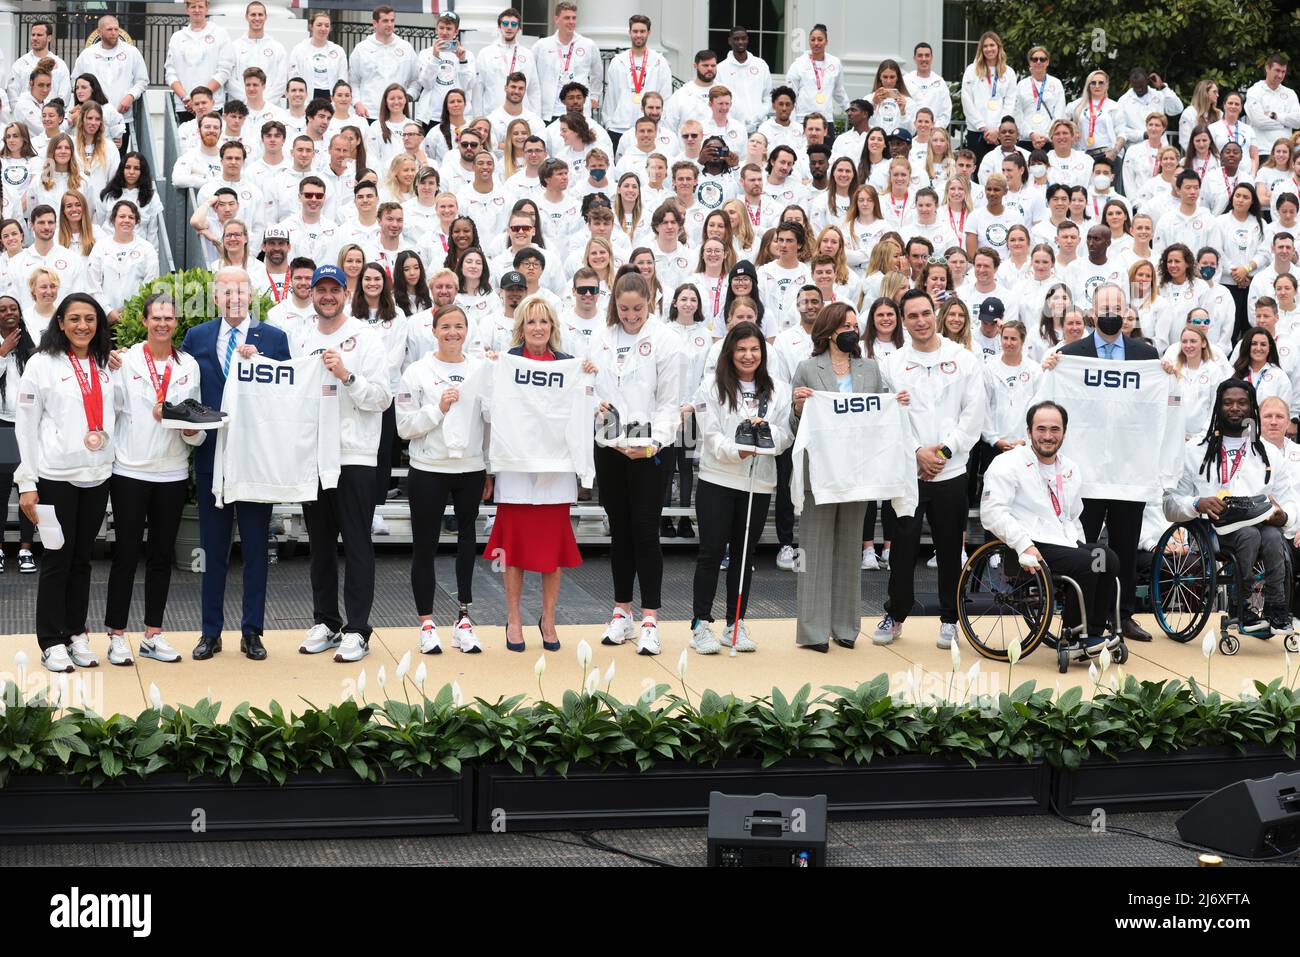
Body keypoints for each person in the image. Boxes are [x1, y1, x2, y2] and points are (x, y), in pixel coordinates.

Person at [181, 267, 290, 661]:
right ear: (215, 297)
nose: (234, 297)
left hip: (256, 460)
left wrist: (261, 362)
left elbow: (286, 396)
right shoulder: (197, 337)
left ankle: (252, 631)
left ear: (251, 295)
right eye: (226, 291)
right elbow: (187, 391)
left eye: (241, 290)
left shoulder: (274, 339)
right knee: (212, 550)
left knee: (257, 549)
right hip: (213, 459)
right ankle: (210, 632)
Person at [291, 264, 391, 663]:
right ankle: (327, 622)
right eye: (321, 289)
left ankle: (359, 629)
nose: (328, 295)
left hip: (355, 455)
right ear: (311, 294)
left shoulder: (366, 337)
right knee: (319, 544)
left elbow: (382, 398)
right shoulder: (301, 338)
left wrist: (346, 375)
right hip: (314, 455)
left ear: (345, 294)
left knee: (356, 541)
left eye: (334, 289)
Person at [876, 289, 986, 650]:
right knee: (902, 548)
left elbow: (973, 414)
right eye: (912, 316)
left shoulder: (964, 359)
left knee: (950, 546)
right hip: (907, 472)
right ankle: (896, 613)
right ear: (903, 322)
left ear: (935, 314)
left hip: (951, 472)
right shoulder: (891, 363)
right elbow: (888, 417)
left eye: (926, 313)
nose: (921, 321)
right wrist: (915, 453)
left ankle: (950, 619)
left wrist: (944, 452)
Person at [103, 293, 204, 666]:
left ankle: (153, 634)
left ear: (177, 323)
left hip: (173, 472)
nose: (162, 323)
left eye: (169, 318)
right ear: (144, 321)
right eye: (156, 317)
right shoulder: (125, 360)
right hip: (129, 470)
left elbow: (194, 419)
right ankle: (115, 634)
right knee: (126, 555)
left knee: (161, 557)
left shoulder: (188, 365)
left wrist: (193, 434)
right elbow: (108, 409)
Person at [16, 294, 115, 673]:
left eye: (90, 319)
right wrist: (27, 480)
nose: (82, 326)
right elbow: (25, 427)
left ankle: (75, 632)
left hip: (97, 475)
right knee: (57, 557)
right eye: (74, 319)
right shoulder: (41, 364)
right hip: (55, 477)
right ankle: (51, 641)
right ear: (60, 322)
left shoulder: (106, 363)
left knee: (82, 559)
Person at [1058, 282, 1160, 641]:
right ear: (1091, 312)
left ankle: (1124, 615)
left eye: (1118, 306)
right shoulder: (1070, 355)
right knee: (1082, 548)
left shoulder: (1147, 357)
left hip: (1129, 469)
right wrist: (1050, 368)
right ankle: (1077, 617)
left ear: (1128, 312)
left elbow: (1157, 409)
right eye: (1105, 307)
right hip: (1085, 472)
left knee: (1125, 547)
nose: (1111, 313)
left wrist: (1172, 380)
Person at [981, 400, 1122, 653]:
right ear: (1029, 432)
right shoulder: (1007, 464)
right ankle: (1072, 638)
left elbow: (1072, 515)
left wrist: (1081, 546)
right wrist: (1024, 545)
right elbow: (992, 514)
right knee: (1088, 563)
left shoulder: (1069, 468)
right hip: (1027, 541)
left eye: (1055, 430)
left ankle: (1093, 632)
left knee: (1105, 557)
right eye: (1041, 429)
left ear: (1064, 433)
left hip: (1063, 541)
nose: (1048, 436)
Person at [590, 271, 680, 655]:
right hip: (609, 445)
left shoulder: (666, 341)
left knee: (645, 530)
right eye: (624, 309)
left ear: (650, 303)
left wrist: (652, 444)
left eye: (638, 309)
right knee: (620, 529)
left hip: (650, 449)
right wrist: (593, 403)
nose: (630, 316)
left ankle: (649, 619)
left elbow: (668, 402)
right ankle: (621, 611)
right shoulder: (601, 336)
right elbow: (588, 385)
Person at [688, 320, 792, 654]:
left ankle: (736, 623)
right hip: (717, 479)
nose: (748, 356)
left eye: (755, 349)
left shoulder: (779, 388)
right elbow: (711, 435)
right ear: (729, 351)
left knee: (744, 556)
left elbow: (785, 435)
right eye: (741, 349)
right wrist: (739, 450)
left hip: (758, 484)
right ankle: (701, 623)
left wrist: (765, 436)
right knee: (711, 552)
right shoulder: (710, 386)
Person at [789, 302, 886, 651]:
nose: (853, 331)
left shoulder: (871, 369)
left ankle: (845, 626)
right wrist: (798, 408)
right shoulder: (807, 368)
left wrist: (898, 404)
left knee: (849, 549)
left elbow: (881, 413)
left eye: (855, 325)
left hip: (857, 473)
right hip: (820, 471)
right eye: (847, 325)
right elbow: (794, 424)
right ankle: (813, 631)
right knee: (812, 551)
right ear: (830, 331)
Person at [1165, 380, 1296, 635]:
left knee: (1271, 536)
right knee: (1250, 535)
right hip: (1213, 531)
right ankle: (1241, 606)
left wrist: (1284, 516)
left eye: (1241, 403)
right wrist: (1196, 502)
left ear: (1251, 409)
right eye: (1228, 403)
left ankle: (1276, 607)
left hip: (1259, 526)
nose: (1235, 408)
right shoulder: (1195, 450)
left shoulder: (1268, 452)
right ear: (1218, 407)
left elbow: (1287, 496)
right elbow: (1170, 503)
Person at [396, 303, 489, 655]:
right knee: (425, 545)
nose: (453, 332)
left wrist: (489, 465)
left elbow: (493, 419)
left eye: (459, 326)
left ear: (468, 331)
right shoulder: (416, 372)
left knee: (467, 542)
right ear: (433, 331)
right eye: (446, 326)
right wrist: (439, 408)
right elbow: (404, 427)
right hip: (428, 469)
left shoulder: (481, 370)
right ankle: (426, 623)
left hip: (470, 468)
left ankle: (464, 620)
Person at [72, 15, 148, 154]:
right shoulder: (87, 54)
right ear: (99, 32)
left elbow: (142, 81)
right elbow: (76, 81)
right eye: (109, 29)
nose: (114, 33)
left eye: (116, 29)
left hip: (120, 120)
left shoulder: (132, 52)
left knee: (116, 161)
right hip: (92, 120)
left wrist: (130, 96)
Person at [0, 295, 37, 574]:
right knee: (1, 490)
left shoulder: (31, 346)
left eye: (13, 308)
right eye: (2, 309)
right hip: (3, 426)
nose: (9, 313)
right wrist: (3, 350)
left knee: (27, 487)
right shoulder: (4, 347)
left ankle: (26, 548)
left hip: (28, 428)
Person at [164, 0, 231, 121]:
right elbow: (170, 72)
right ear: (187, 9)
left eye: (200, 6)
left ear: (207, 9)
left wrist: (201, 99)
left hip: (212, 105)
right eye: (193, 7)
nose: (197, 10)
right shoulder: (177, 37)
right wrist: (186, 97)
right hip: (185, 105)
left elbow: (224, 71)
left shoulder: (220, 34)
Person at [348, 6, 417, 120]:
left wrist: (408, 96)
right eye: (385, 21)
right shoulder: (361, 48)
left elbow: (416, 80)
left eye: (392, 20)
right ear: (375, 23)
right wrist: (357, 102)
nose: (390, 24)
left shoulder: (406, 48)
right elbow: (353, 81)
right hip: (368, 113)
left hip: (397, 114)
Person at [960, 31, 1016, 169]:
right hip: (978, 132)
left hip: (1000, 134)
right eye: (985, 46)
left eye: (992, 45)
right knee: (979, 172)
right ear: (981, 49)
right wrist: (983, 127)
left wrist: (998, 128)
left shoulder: (1009, 72)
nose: (989, 49)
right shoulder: (971, 70)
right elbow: (967, 101)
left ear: (998, 47)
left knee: (1001, 173)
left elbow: (1010, 103)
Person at [220, 1, 288, 105]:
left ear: (265, 17)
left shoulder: (278, 48)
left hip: (270, 107)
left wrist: (264, 102)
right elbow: (229, 79)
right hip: (240, 107)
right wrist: (248, 100)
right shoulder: (234, 47)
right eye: (253, 15)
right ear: (246, 17)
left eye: (260, 15)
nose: (257, 18)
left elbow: (281, 81)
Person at [785, 24, 848, 123]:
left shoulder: (835, 63)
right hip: (803, 118)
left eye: (820, 39)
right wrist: (791, 120)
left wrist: (849, 109)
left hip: (826, 119)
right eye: (813, 40)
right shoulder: (798, 64)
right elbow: (791, 94)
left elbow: (838, 91)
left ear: (826, 42)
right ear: (809, 42)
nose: (816, 43)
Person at [716, 26, 772, 130]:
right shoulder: (721, 69)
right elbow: (719, 100)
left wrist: (759, 115)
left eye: (743, 38)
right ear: (729, 41)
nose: (740, 42)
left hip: (760, 126)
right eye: (736, 39)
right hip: (733, 127)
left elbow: (768, 97)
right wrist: (737, 120)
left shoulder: (761, 64)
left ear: (747, 39)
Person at [289, 12, 349, 102]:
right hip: (307, 96)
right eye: (319, 25)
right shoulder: (299, 49)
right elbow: (293, 76)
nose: (323, 28)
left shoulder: (338, 51)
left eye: (327, 25)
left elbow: (343, 77)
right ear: (311, 27)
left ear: (330, 28)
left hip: (330, 96)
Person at [1246, 53, 1300, 145]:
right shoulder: (1254, 91)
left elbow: (1297, 122)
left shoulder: (1290, 93)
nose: (1280, 75)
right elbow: (1259, 122)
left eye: (1283, 72)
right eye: (1277, 70)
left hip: (1285, 151)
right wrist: (1286, 124)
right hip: (1262, 151)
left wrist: (1274, 115)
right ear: (1267, 68)